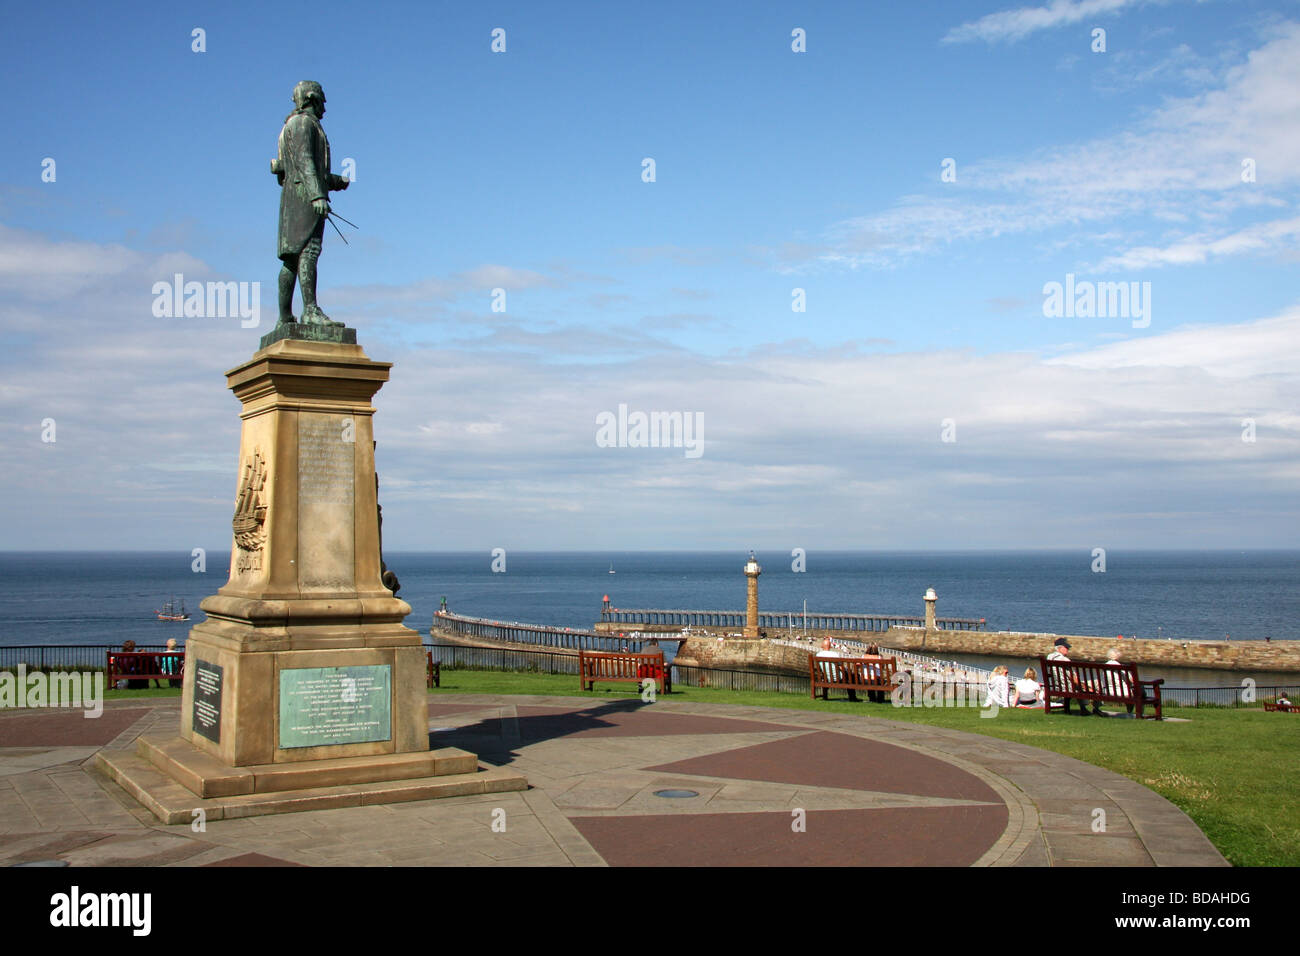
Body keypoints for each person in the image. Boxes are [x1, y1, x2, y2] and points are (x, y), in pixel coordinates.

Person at [272, 80, 351, 327]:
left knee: (291, 258)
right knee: (309, 251)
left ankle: (284, 317)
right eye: (322, 102)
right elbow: (306, 161)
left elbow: (297, 168)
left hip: (292, 197)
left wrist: (335, 181)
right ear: (311, 98)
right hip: (305, 198)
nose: (324, 109)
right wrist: (318, 195)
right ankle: (310, 310)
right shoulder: (305, 123)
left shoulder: (289, 126)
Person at [1047, 638, 1102, 716]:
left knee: (1078, 686)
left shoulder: (1049, 657)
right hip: (1068, 687)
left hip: (1057, 686)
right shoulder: (1065, 660)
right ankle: (1096, 708)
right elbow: (1075, 680)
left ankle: (1083, 709)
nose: (1068, 649)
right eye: (1066, 647)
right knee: (1096, 682)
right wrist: (1088, 688)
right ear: (1059, 648)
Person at [816, 637, 857, 702]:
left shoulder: (818, 655)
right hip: (838, 678)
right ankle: (852, 697)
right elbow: (840, 667)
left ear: (822, 646)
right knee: (850, 677)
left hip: (827, 678)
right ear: (830, 646)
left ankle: (825, 696)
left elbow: (820, 668)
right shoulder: (834, 654)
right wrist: (846, 670)